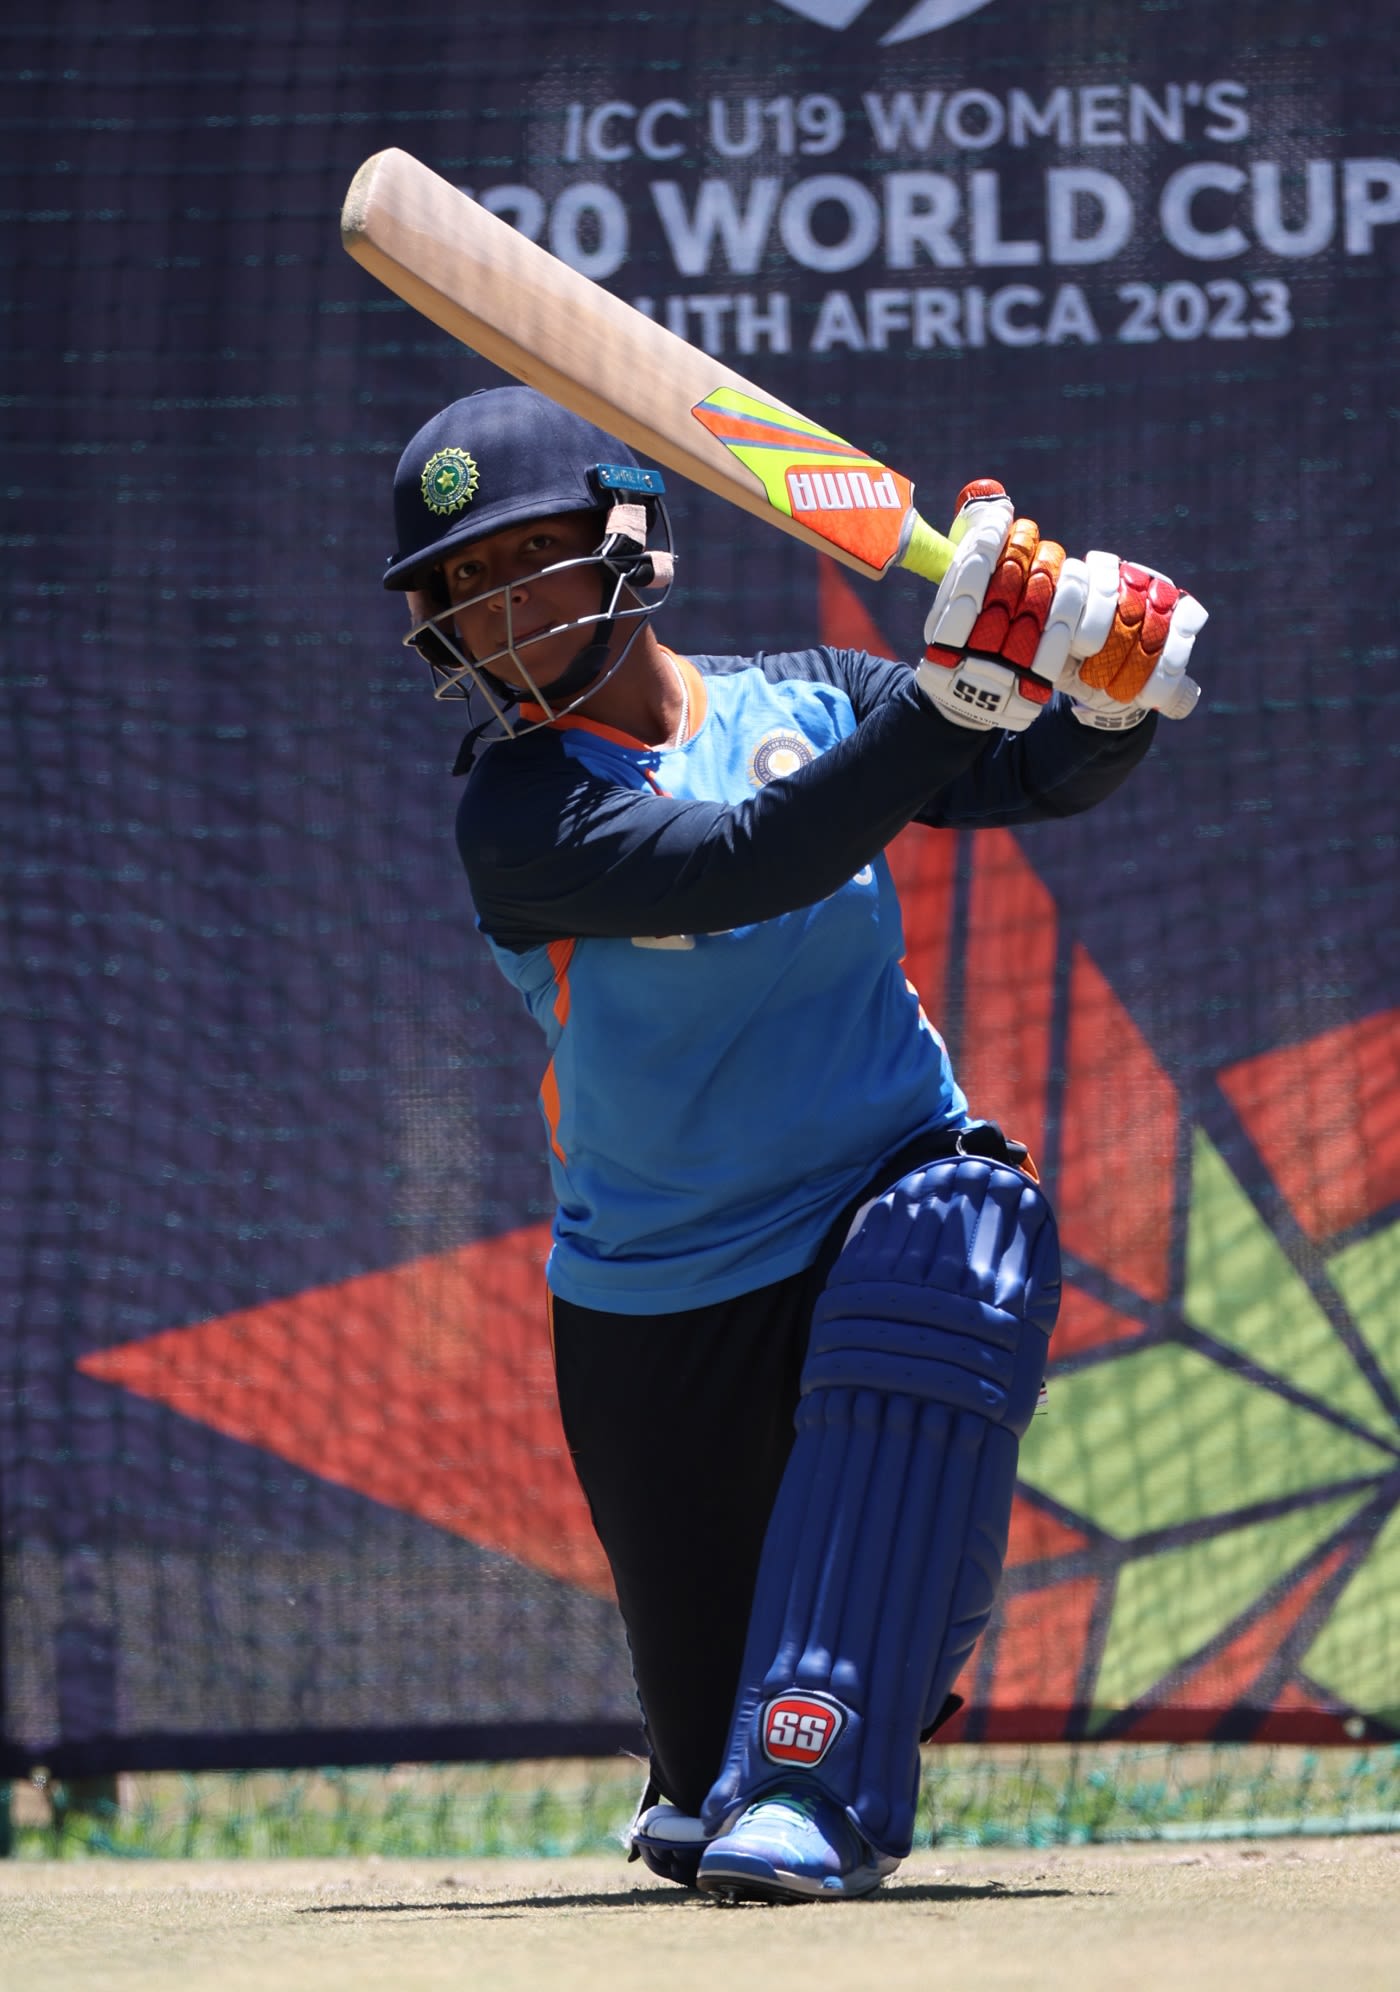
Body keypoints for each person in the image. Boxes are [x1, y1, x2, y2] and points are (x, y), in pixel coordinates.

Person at [382, 384, 1206, 1904]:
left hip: (876, 1194)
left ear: (634, 545)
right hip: (656, 1298)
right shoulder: (518, 812)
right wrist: (955, 689)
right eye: (461, 587)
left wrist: (1106, 693)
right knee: (709, 1787)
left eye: (529, 557)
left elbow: (1021, 772)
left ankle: (825, 1773)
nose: (494, 609)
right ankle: (730, 1749)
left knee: (962, 1235)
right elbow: (758, 858)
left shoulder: (806, 700)